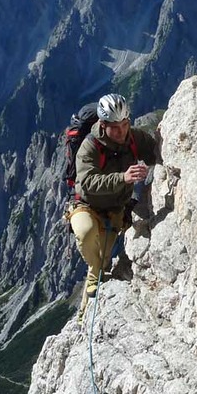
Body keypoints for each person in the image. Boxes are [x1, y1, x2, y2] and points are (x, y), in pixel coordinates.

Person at [68, 93, 159, 318]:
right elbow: (87, 184)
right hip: (86, 205)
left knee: (102, 265)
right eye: (115, 127)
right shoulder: (90, 146)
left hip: (116, 210)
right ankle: (83, 315)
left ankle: (85, 311)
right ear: (103, 124)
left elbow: (155, 153)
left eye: (125, 124)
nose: (122, 131)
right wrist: (123, 178)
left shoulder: (134, 138)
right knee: (86, 232)